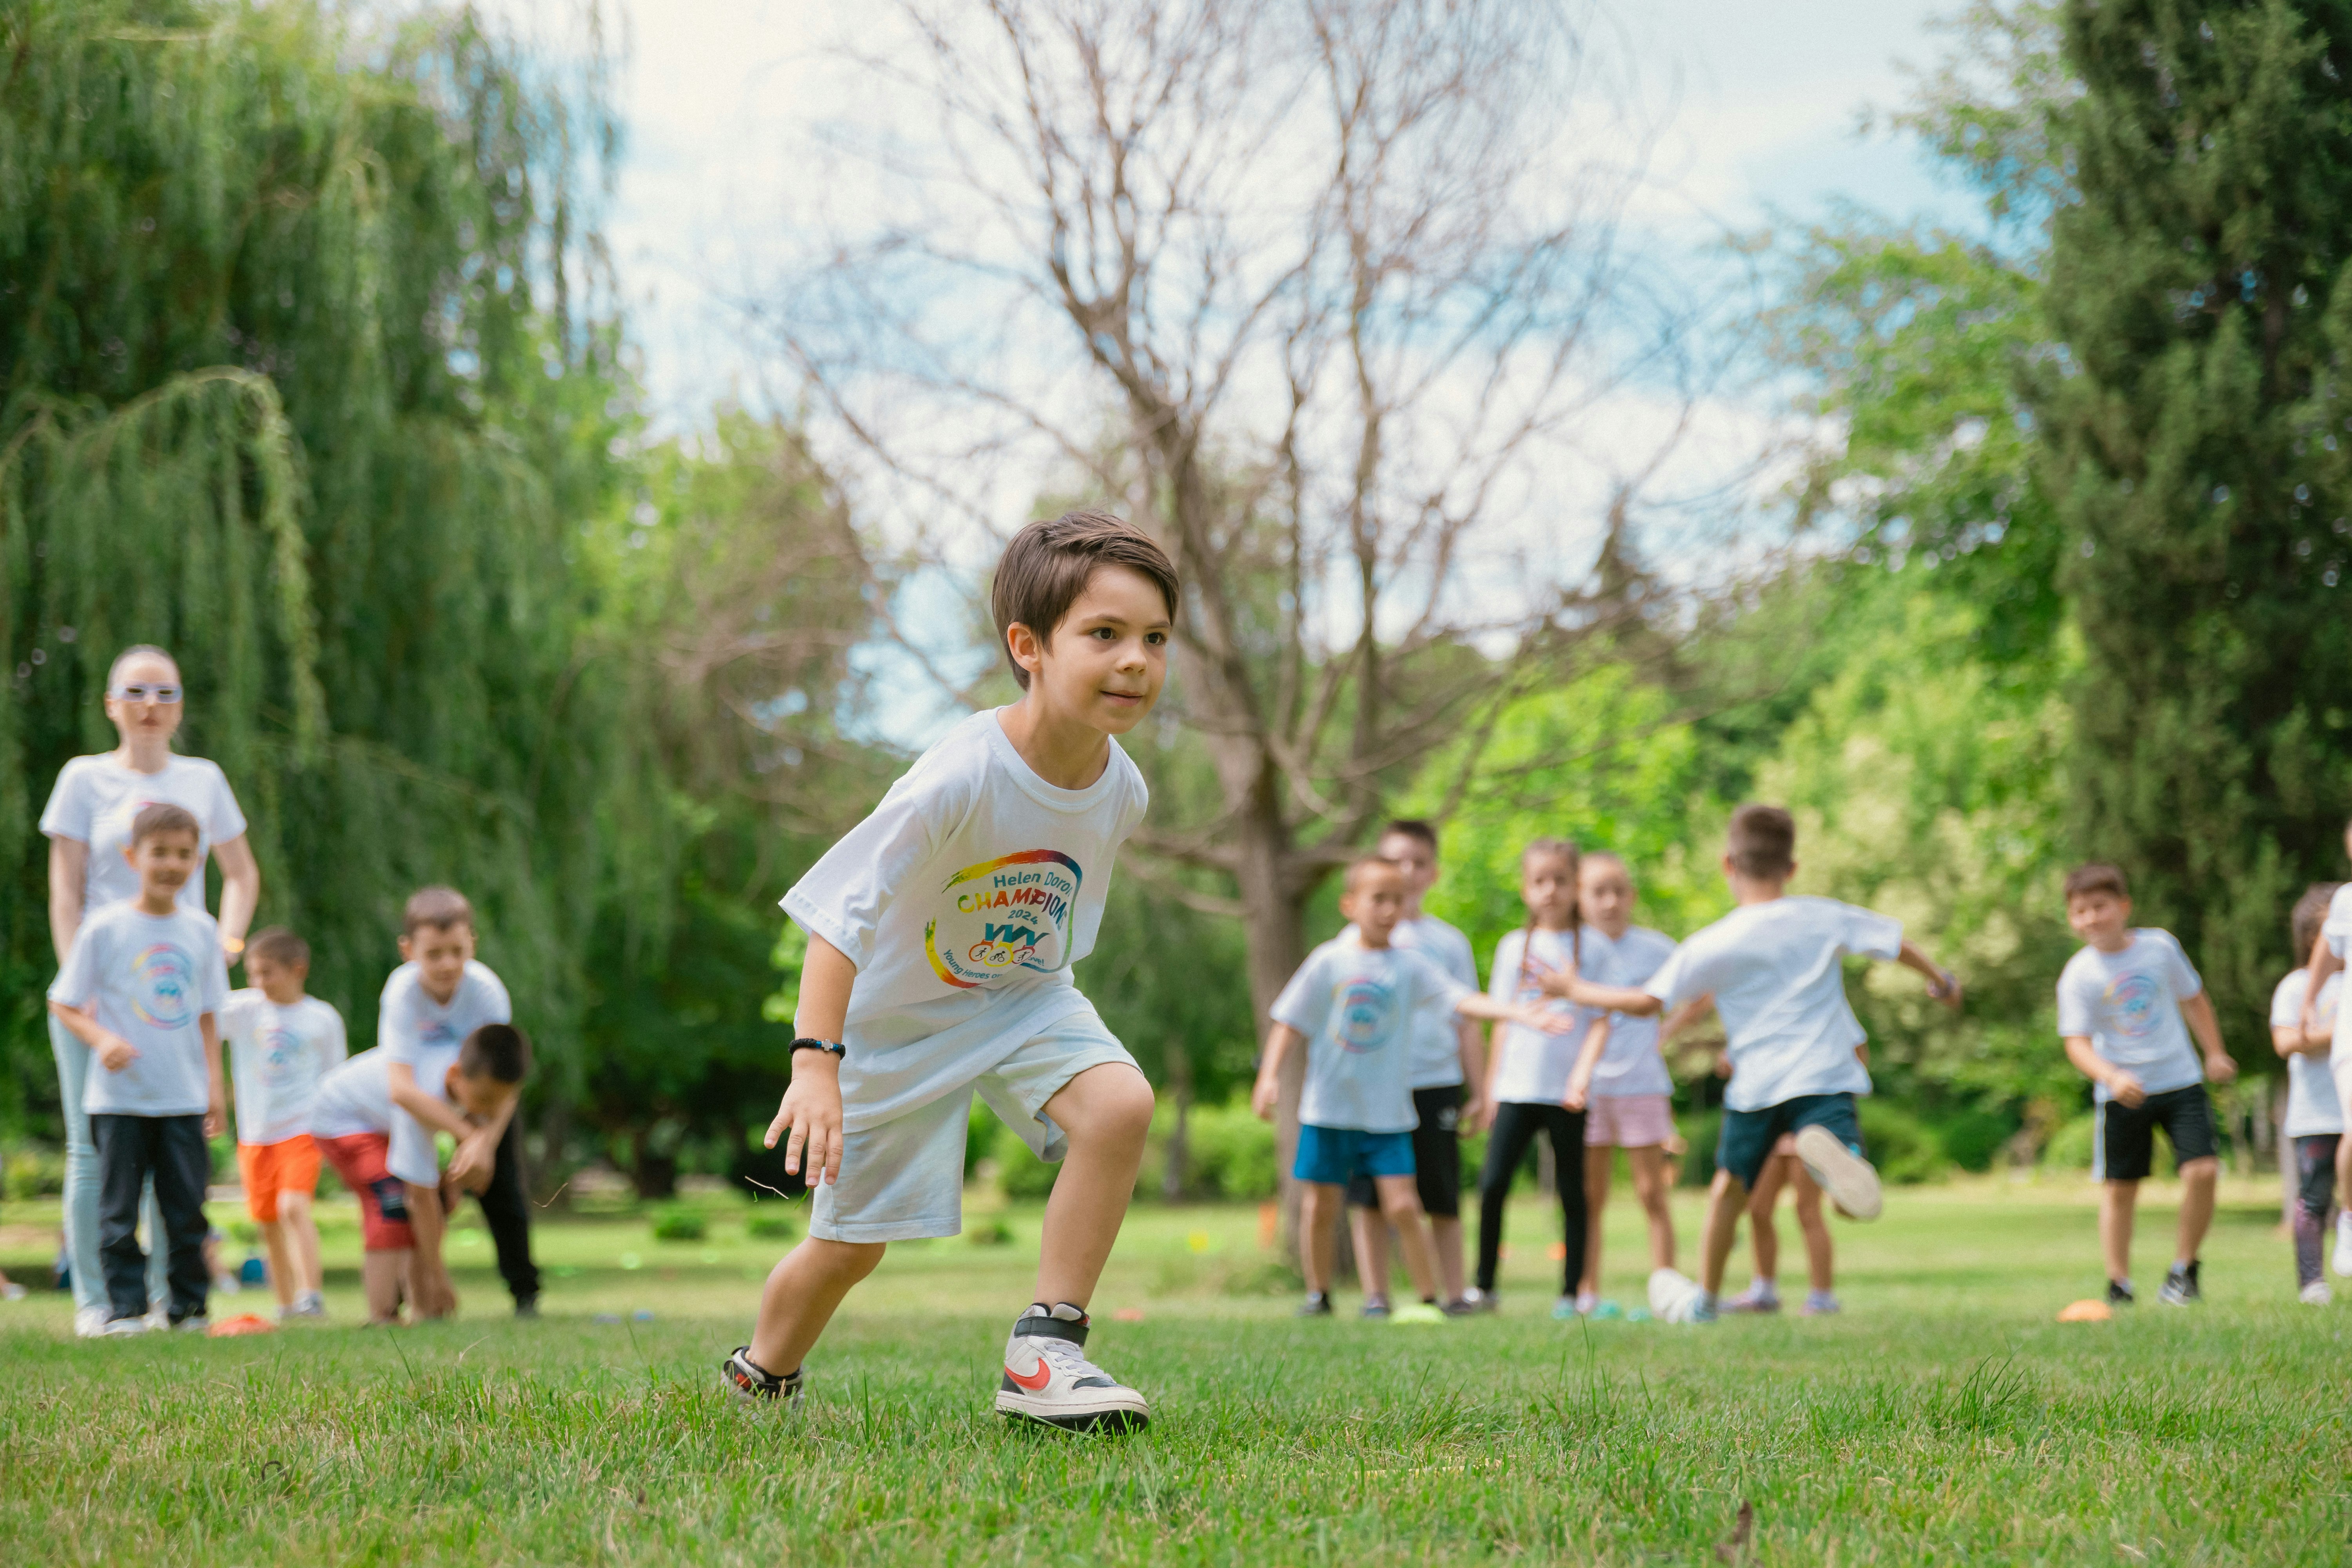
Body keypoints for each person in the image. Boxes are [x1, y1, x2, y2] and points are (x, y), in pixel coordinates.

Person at [724, 509, 1173, 1432]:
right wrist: (817, 1062)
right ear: (1029, 646)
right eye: (1104, 634)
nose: (1135, 659)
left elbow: (1055, 918)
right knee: (851, 1248)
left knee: (1121, 1105)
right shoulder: (958, 775)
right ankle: (762, 1372)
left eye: (1155, 638)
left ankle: (1045, 1348)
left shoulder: (1121, 785)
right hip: (898, 1027)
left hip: (1024, 995)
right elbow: (837, 912)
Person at [1559, 805, 1961, 1323]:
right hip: (1825, 1076)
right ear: (1791, 867)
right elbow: (1894, 943)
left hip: (1758, 1084)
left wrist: (1573, 989)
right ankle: (1843, 1171)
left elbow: (1645, 1002)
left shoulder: (1716, 940)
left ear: (1729, 865)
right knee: (1837, 1180)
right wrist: (1941, 980)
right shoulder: (1822, 915)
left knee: (1729, 1188)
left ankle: (1704, 1298)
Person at [41, 644, 259, 1336]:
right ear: (112, 704)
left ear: (180, 706)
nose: (149, 704)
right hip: (102, 994)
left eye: (164, 692)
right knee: (94, 1151)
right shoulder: (83, 780)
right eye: (135, 691)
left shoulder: (204, 780)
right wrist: (86, 985)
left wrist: (222, 944)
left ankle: (177, 1300)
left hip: (174, 992)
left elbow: (242, 875)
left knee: (178, 1148)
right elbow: (66, 891)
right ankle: (99, 1301)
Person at [1253, 854, 1573, 1319]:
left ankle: (1428, 1299)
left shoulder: (1410, 966)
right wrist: (1268, 1078)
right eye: (1378, 899)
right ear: (1350, 904)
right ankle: (1318, 1294)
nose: (1389, 909)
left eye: (1397, 900)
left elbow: (1461, 999)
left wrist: (1520, 1013)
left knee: (1404, 1205)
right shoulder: (1329, 960)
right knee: (1321, 1206)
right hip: (1328, 1110)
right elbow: (1288, 1021)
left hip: (1387, 1115)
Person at [44, 804, 232, 1334]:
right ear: (132, 857)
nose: (170, 864)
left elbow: (208, 1016)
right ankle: (124, 1310)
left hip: (183, 1098)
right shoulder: (105, 928)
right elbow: (63, 1002)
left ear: (198, 861)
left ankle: (187, 1310)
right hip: (119, 1100)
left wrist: (215, 1089)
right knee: (119, 1213)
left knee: (187, 1213)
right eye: (159, 853)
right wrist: (101, 1038)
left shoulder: (201, 929)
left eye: (183, 854)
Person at [2055, 862, 2235, 1307]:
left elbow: (2193, 997)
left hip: (2180, 1080)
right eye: (2080, 911)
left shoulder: (2159, 947)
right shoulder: (2079, 974)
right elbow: (2075, 1043)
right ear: (2071, 918)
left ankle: (2183, 1270)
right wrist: (2111, 1076)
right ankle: (2119, 1283)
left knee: (2204, 1170)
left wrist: (2214, 1052)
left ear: (2123, 905)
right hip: (2122, 1092)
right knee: (2121, 1188)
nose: (2092, 918)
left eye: (2100, 906)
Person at [1340, 820, 1485, 1315]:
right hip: (1374, 1088)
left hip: (1436, 1081)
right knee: (1371, 1197)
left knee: (1441, 1194)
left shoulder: (1449, 942)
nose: (1408, 871)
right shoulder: (1349, 941)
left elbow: (1468, 1019)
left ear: (1433, 872)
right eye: (1396, 860)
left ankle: (1454, 1292)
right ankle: (1376, 1295)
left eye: (1419, 862)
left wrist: (1480, 1090)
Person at [380, 887, 538, 1318]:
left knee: (503, 1189)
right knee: (417, 1189)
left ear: (473, 941)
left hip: (487, 1102)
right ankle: (412, 1290)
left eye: (457, 950)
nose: (448, 964)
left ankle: (525, 1291)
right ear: (408, 950)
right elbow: (400, 1088)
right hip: (427, 1101)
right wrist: (466, 1136)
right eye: (435, 954)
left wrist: (485, 1143)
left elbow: (509, 1078)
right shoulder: (401, 994)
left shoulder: (487, 991)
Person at [1469, 838, 1607, 1316]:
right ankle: (1484, 1285)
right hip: (1517, 1087)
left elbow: (1602, 1021)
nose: (1550, 890)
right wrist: (1490, 1090)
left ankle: (1572, 1293)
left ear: (1575, 886)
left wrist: (1581, 1077)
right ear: (1527, 889)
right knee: (1493, 1185)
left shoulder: (1595, 948)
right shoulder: (1513, 947)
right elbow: (1502, 1018)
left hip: (1567, 1090)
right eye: (1539, 881)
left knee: (1573, 1192)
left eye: (1560, 880)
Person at [1561, 852, 1686, 1314]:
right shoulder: (1570, 950)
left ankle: (1665, 1292)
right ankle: (1586, 1293)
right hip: (1587, 1089)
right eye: (1598, 891)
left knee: (1652, 1193)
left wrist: (1669, 1031)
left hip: (1642, 1085)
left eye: (1619, 891)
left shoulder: (1656, 949)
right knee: (1590, 1197)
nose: (1610, 901)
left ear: (1632, 896)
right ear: (1581, 897)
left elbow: (1700, 991)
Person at [220, 927, 347, 1320]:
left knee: (294, 1207)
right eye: (253, 974)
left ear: (298, 970)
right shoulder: (244, 1011)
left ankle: (311, 1295)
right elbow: (202, 1011)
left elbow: (335, 1075)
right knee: (268, 1220)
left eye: (268, 973)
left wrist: (334, 1131)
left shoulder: (321, 1018)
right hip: (256, 1132)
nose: (259, 983)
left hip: (302, 1129)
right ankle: (285, 1302)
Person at [2272, 884, 2342, 1305]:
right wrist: (2339, 1032)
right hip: (2316, 1115)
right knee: (2314, 1198)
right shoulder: (2297, 986)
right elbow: (2285, 1041)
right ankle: (2312, 1282)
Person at [310, 1048, 415, 1324]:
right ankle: (382, 1313)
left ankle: (410, 1300)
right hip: (342, 1119)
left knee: (410, 1203)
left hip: (378, 1123)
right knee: (390, 1204)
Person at [2297, 819, 2352, 1277]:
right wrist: (2311, 1001)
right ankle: (2348, 1225)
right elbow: (2328, 951)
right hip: (2347, 1048)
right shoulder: (2348, 900)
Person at [1722, 1133, 1837, 1315]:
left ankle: (1823, 1297)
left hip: (1804, 1131)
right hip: (1772, 1134)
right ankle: (1764, 1293)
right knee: (1758, 1210)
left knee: (1808, 1212)